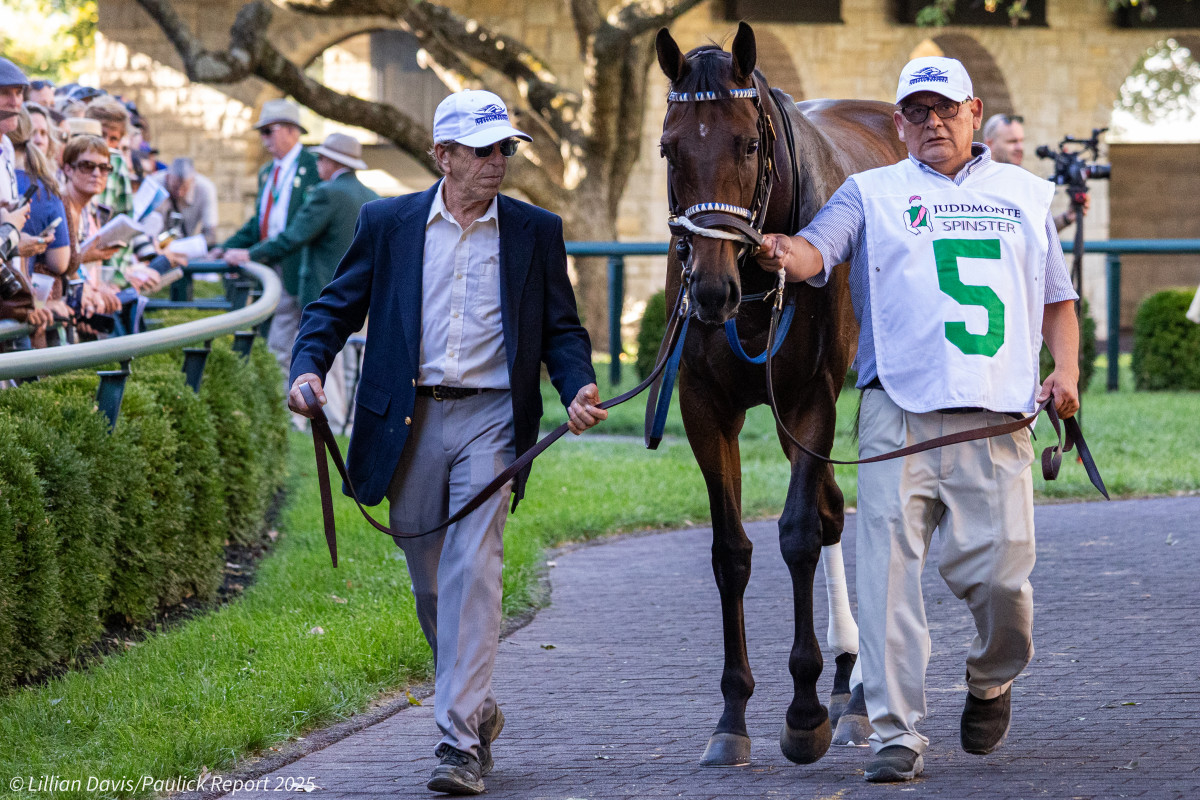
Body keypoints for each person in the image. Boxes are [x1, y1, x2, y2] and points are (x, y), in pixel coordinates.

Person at [755, 57, 1080, 783]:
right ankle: (896, 735)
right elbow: (817, 251)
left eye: (944, 110)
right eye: (916, 112)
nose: (931, 123)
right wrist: (782, 251)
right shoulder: (869, 191)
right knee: (886, 584)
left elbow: (1057, 298)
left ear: (973, 111)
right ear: (899, 124)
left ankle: (991, 677)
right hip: (895, 414)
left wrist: (1067, 372)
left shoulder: (1027, 193)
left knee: (1003, 585)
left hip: (996, 420)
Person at [287, 89, 607, 796]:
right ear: (443, 156)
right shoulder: (389, 223)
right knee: (430, 578)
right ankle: (477, 705)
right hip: (409, 419)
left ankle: (457, 743)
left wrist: (578, 385)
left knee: (472, 567)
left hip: (493, 419)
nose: (498, 163)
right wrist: (306, 369)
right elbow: (333, 307)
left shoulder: (534, 230)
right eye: (483, 151)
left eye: (505, 150)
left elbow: (560, 330)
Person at [240, 132, 378, 431]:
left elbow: (294, 236)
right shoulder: (371, 196)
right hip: (362, 293)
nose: (318, 164)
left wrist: (248, 255)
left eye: (321, 158)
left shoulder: (327, 193)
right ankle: (342, 423)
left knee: (315, 360)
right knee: (347, 363)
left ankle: (315, 422)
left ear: (332, 162)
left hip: (323, 292)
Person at [215, 98, 319, 380]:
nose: (263, 140)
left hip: (303, 270)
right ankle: (286, 415)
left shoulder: (314, 166)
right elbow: (258, 222)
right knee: (275, 345)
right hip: (270, 264)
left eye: (267, 131)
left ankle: (305, 416)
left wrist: (250, 253)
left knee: (305, 347)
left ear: (290, 130)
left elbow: (303, 228)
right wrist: (226, 247)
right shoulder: (267, 172)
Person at [984, 112, 1085, 231]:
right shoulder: (977, 181)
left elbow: (1036, 233)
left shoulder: (1025, 181)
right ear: (990, 144)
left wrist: (1066, 218)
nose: (1020, 147)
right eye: (1012, 141)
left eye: (1021, 141)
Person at [154, 157, 219, 247]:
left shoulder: (205, 188)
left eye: (185, 188)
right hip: (157, 245)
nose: (179, 193)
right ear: (167, 177)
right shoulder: (154, 183)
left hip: (187, 246)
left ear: (193, 180)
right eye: (175, 187)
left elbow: (210, 232)